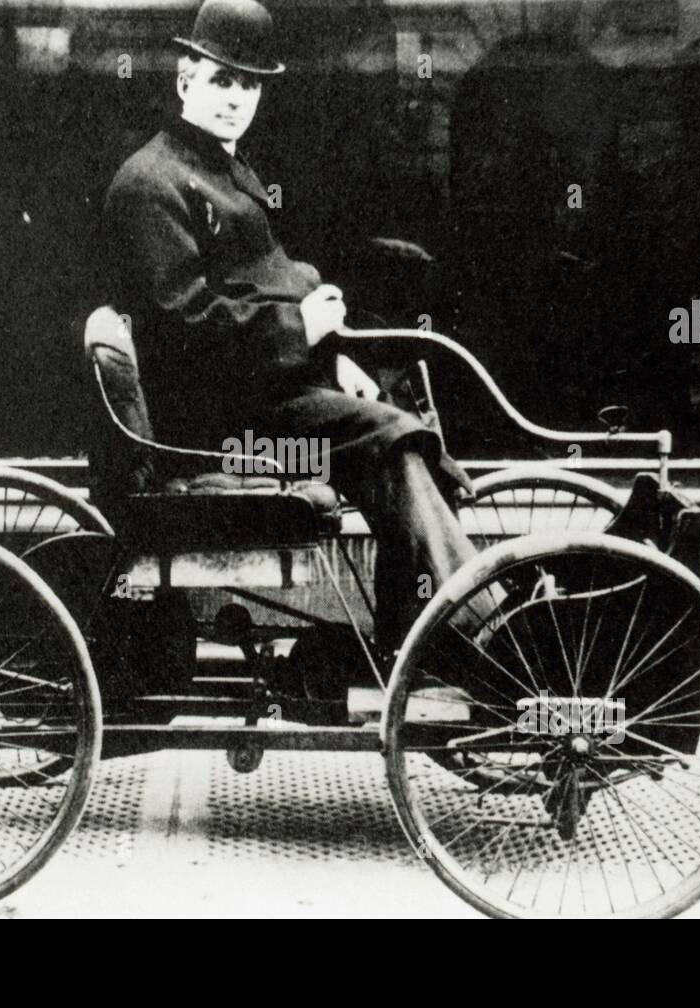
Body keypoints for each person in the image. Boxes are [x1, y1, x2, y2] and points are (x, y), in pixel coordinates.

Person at [102, 0, 480, 650]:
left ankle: (420, 636)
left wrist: (332, 357)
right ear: (185, 79)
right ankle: (474, 629)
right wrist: (301, 327)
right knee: (389, 437)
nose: (237, 99)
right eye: (223, 80)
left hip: (258, 399)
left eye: (250, 85)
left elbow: (271, 279)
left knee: (395, 418)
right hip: (206, 428)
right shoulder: (151, 184)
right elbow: (189, 322)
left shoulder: (226, 173)